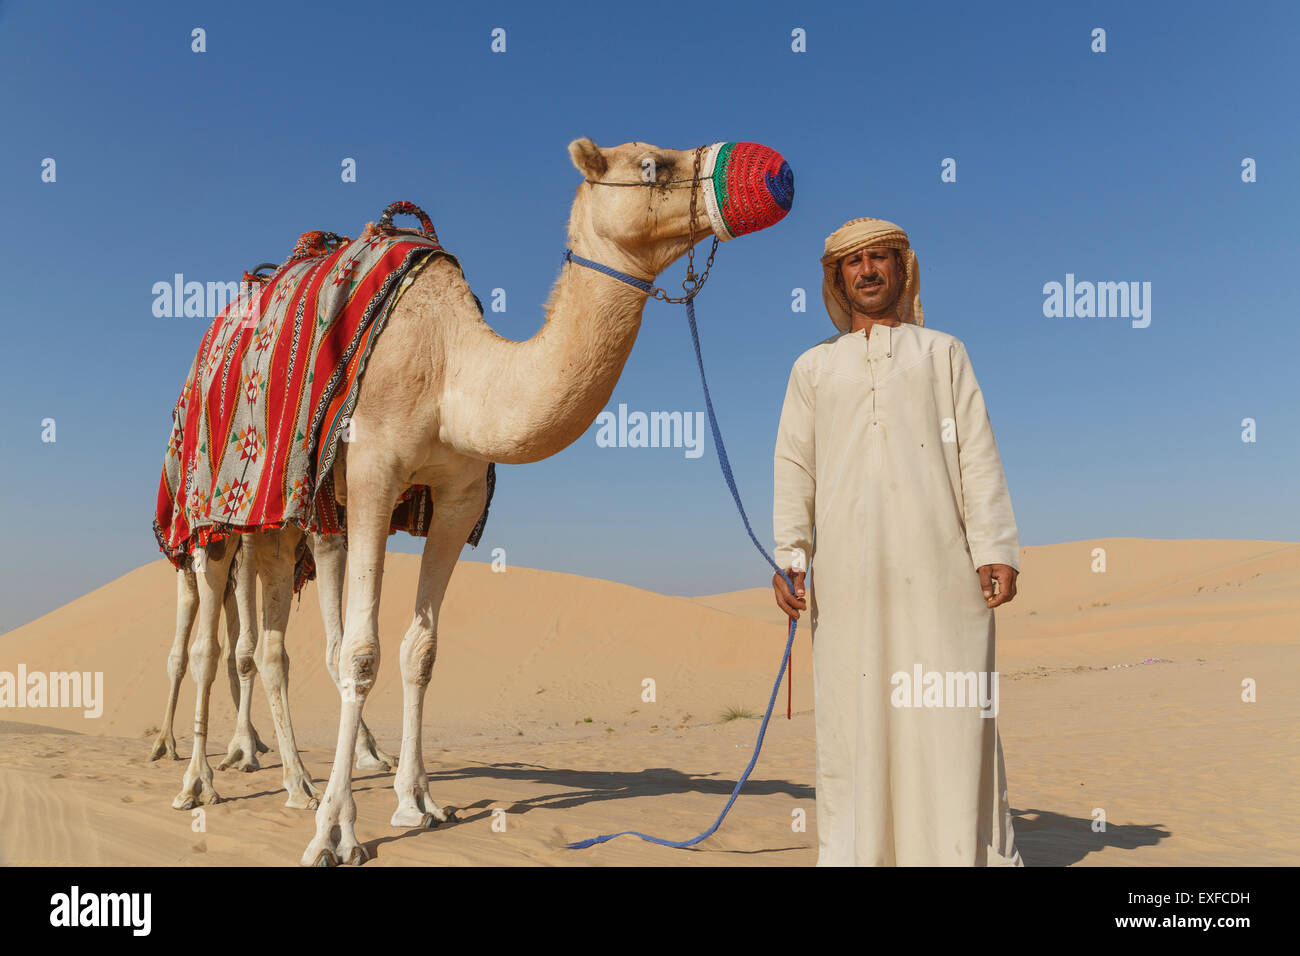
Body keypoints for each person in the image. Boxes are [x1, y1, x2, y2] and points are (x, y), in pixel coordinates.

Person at [771, 217, 1023, 866]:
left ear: (902, 269)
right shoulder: (813, 368)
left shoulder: (943, 353)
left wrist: (994, 545)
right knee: (858, 722)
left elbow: (977, 454)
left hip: (941, 567)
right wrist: (792, 555)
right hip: (851, 578)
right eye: (853, 263)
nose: (868, 270)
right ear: (837, 278)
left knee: (949, 714)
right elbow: (794, 465)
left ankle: (959, 852)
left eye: (880, 257)